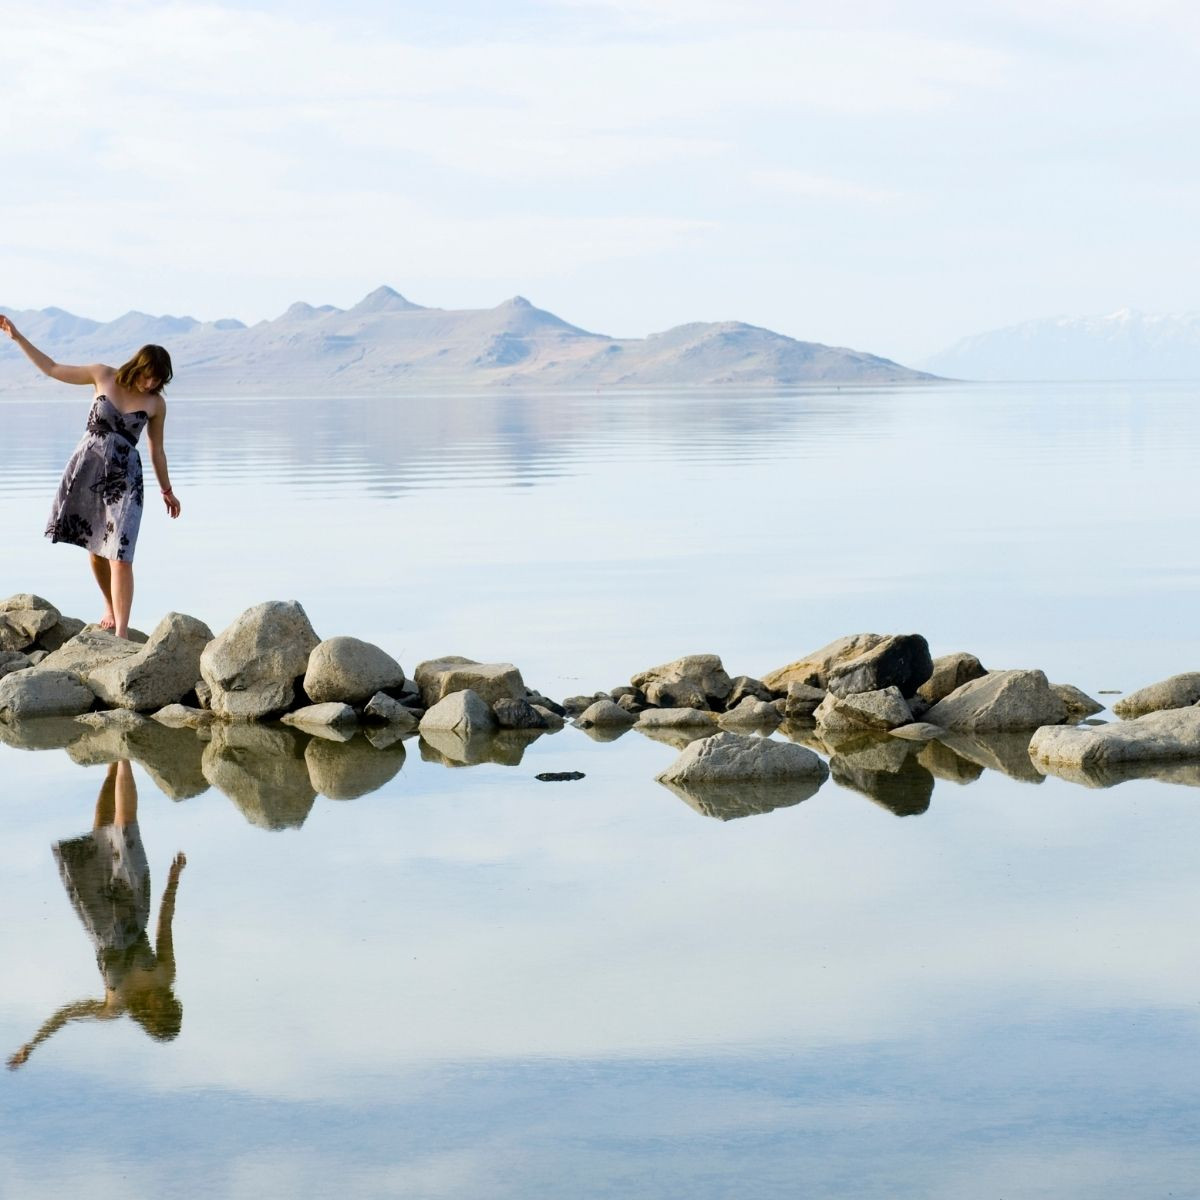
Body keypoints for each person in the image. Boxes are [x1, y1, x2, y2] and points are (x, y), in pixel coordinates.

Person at [0, 315, 181, 639]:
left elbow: (157, 451)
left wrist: (167, 490)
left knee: (121, 553)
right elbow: (53, 368)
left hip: (125, 481)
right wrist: (18, 337)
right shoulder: (102, 375)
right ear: (138, 367)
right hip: (88, 469)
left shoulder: (156, 404)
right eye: (149, 377)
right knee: (95, 549)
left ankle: (122, 633)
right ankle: (108, 607)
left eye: (159, 380)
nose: (152, 384)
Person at [7, 761, 187, 1069]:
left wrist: (33, 1044)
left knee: (101, 827)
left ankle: (112, 763)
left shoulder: (114, 1006)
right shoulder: (164, 976)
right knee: (126, 826)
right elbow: (164, 926)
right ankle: (125, 751)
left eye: (163, 1014)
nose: (164, 1005)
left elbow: (68, 1013)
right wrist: (174, 879)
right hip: (135, 908)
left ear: (151, 1020)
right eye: (170, 1010)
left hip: (99, 917)